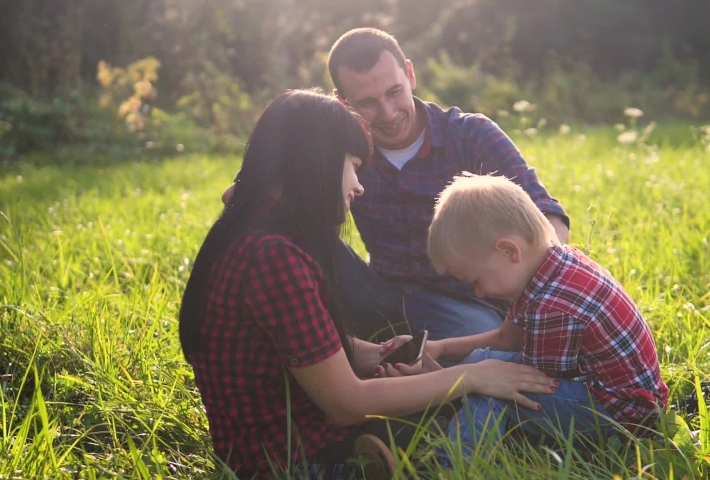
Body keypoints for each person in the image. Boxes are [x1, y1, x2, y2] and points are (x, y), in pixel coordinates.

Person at [179, 89, 558, 479]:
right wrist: (471, 377)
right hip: (290, 460)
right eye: (354, 166)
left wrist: (351, 351)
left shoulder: (251, 229)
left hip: (265, 446)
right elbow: (347, 404)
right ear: (318, 160)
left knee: (448, 404)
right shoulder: (275, 255)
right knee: (464, 415)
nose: (359, 186)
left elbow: (273, 348)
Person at [221, 27, 570, 343]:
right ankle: (317, 342)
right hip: (378, 294)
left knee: (483, 339)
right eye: (368, 103)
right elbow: (240, 198)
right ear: (341, 102)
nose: (388, 114)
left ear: (410, 74)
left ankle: (417, 363)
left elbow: (545, 216)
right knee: (286, 223)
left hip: (470, 299)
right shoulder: (336, 151)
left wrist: (542, 300)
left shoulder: (470, 134)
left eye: (394, 92)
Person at [422, 173, 669, 460]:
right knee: (484, 367)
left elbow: (523, 380)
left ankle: (449, 466)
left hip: (621, 416)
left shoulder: (552, 305)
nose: (478, 294)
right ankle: (453, 416)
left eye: (476, 280)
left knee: (493, 391)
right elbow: (505, 339)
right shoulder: (549, 267)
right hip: (615, 392)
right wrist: (442, 349)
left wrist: (462, 379)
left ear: (508, 251)